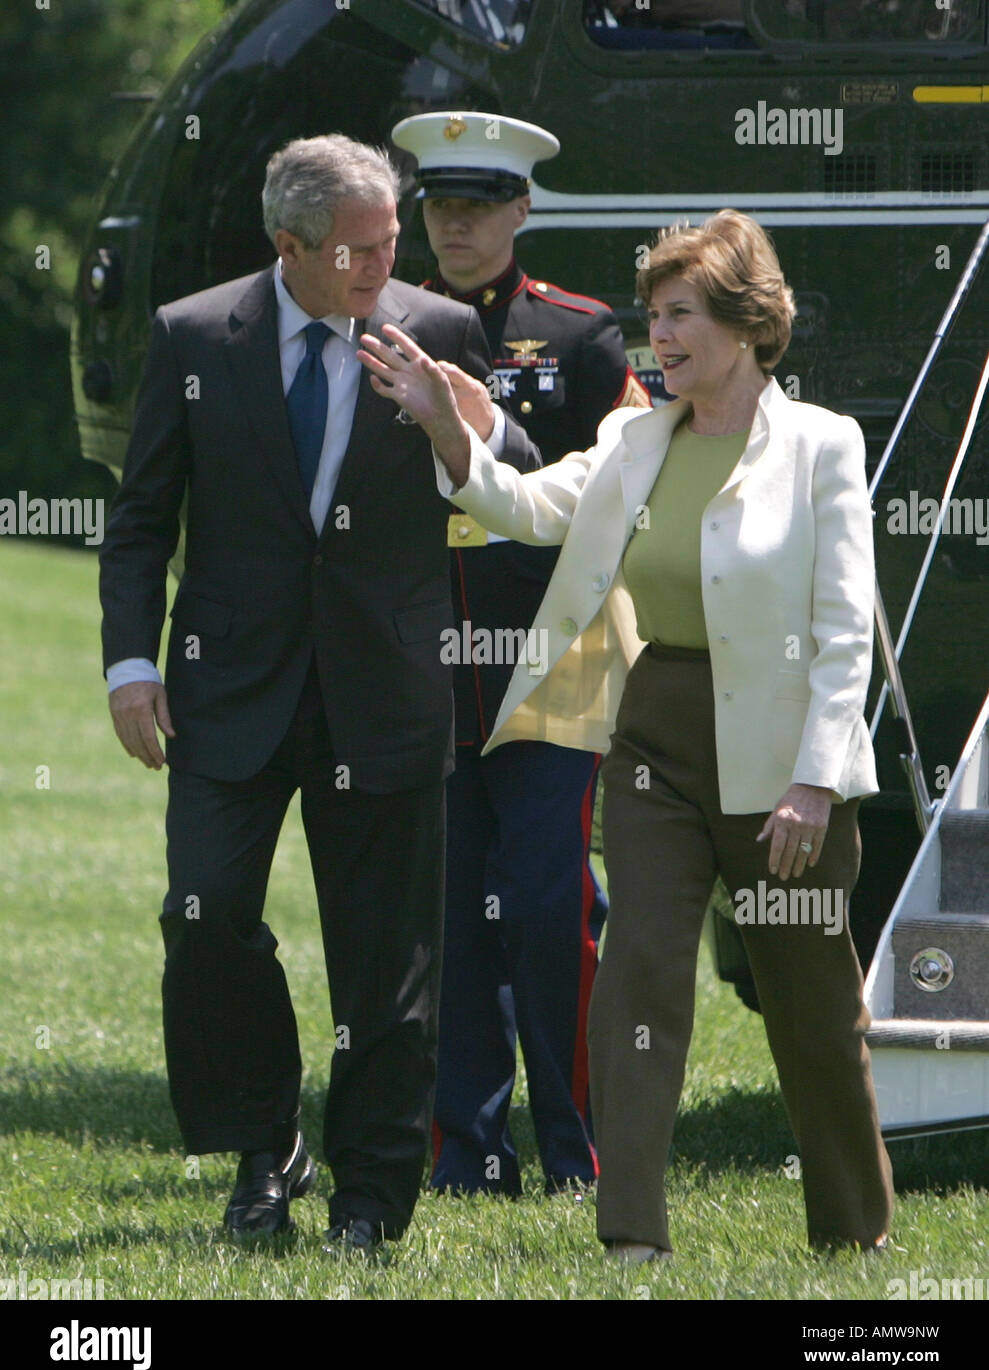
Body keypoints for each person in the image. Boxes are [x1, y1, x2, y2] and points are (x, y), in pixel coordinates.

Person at [356, 209, 896, 1259]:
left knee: (812, 1011)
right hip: (655, 740)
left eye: (681, 315)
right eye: (652, 317)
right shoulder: (630, 438)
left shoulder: (822, 445)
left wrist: (814, 782)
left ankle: (852, 1228)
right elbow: (516, 502)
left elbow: (841, 633)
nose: (661, 338)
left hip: (784, 755)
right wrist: (442, 424)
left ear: (744, 321)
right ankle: (630, 1237)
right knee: (640, 966)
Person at [98, 134, 538, 1255]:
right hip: (226, 691)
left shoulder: (436, 328)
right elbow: (143, 517)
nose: (382, 267)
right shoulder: (194, 335)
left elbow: (515, 475)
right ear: (286, 246)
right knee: (202, 917)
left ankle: (369, 1198)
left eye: (391, 242)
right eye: (358, 249)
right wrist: (130, 662)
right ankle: (265, 1142)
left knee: (386, 962)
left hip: (383, 689)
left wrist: (461, 420)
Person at [390, 109, 651, 1197]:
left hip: (549, 665)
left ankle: (571, 1144)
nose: (455, 223)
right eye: (438, 203)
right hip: (427, 668)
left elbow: (613, 491)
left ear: (520, 209)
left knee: (548, 908)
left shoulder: (584, 336)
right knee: (447, 915)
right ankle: (465, 1145)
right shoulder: (385, 324)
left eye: (478, 203)